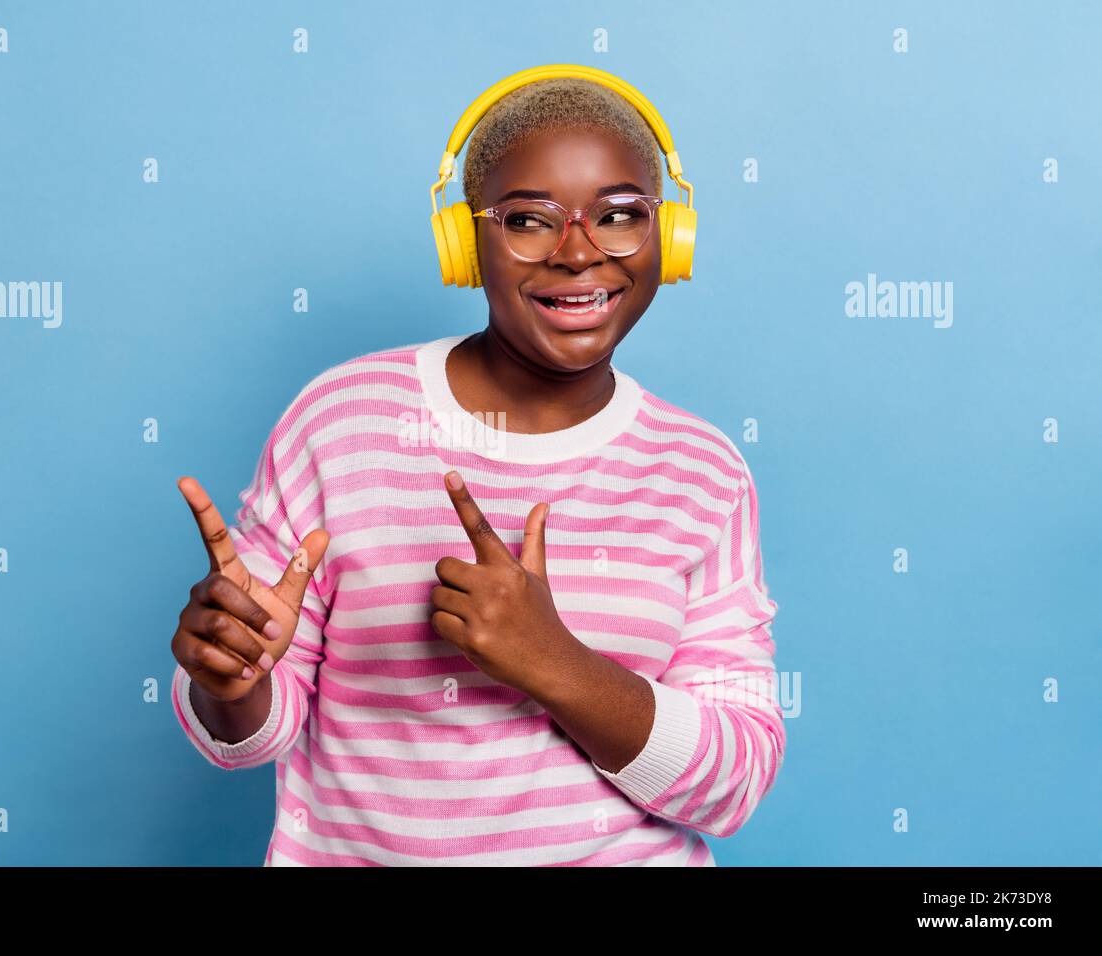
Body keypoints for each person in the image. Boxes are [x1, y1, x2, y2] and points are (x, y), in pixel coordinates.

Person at [169, 67, 785, 866]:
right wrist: (236, 680)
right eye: (528, 220)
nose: (577, 253)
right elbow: (252, 733)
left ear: (670, 238)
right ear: (464, 244)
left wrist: (556, 663)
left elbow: (735, 782)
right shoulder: (341, 420)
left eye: (620, 216)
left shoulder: (704, 471)